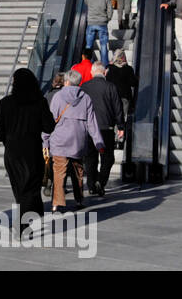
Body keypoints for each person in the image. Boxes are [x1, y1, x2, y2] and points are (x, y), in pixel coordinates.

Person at [0, 68, 56, 220]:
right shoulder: (39, 102)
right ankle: (25, 220)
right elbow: (49, 126)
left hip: (12, 152)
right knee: (30, 186)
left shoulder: (5, 103)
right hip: (33, 150)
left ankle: (27, 216)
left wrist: (7, 140)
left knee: (19, 187)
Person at [45, 69, 103, 212]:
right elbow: (92, 122)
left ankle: (56, 203)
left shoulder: (58, 97)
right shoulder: (86, 98)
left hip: (60, 140)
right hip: (78, 140)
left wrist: (45, 139)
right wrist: (98, 141)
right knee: (78, 170)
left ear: (66, 81)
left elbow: (50, 120)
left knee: (59, 172)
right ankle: (79, 200)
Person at [79, 62, 122, 197]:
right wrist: (120, 126)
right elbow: (118, 108)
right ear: (104, 73)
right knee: (107, 157)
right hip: (106, 128)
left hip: (88, 129)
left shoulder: (84, 87)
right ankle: (101, 182)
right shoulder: (111, 87)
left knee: (90, 158)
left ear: (92, 73)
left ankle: (91, 185)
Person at [106, 50, 138, 142]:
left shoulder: (110, 68)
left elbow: (107, 81)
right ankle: (120, 138)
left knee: (113, 116)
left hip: (112, 97)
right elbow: (133, 83)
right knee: (122, 117)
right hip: (124, 97)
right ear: (123, 57)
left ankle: (112, 136)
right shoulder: (128, 69)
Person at [85, 0, 111, 66]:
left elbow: (86, 3)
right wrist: (108, 18)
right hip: (102, 22)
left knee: (88, 45)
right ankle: (104, 64)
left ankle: (88, 62)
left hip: (91, 22)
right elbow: (110, 9)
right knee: (103, 45)